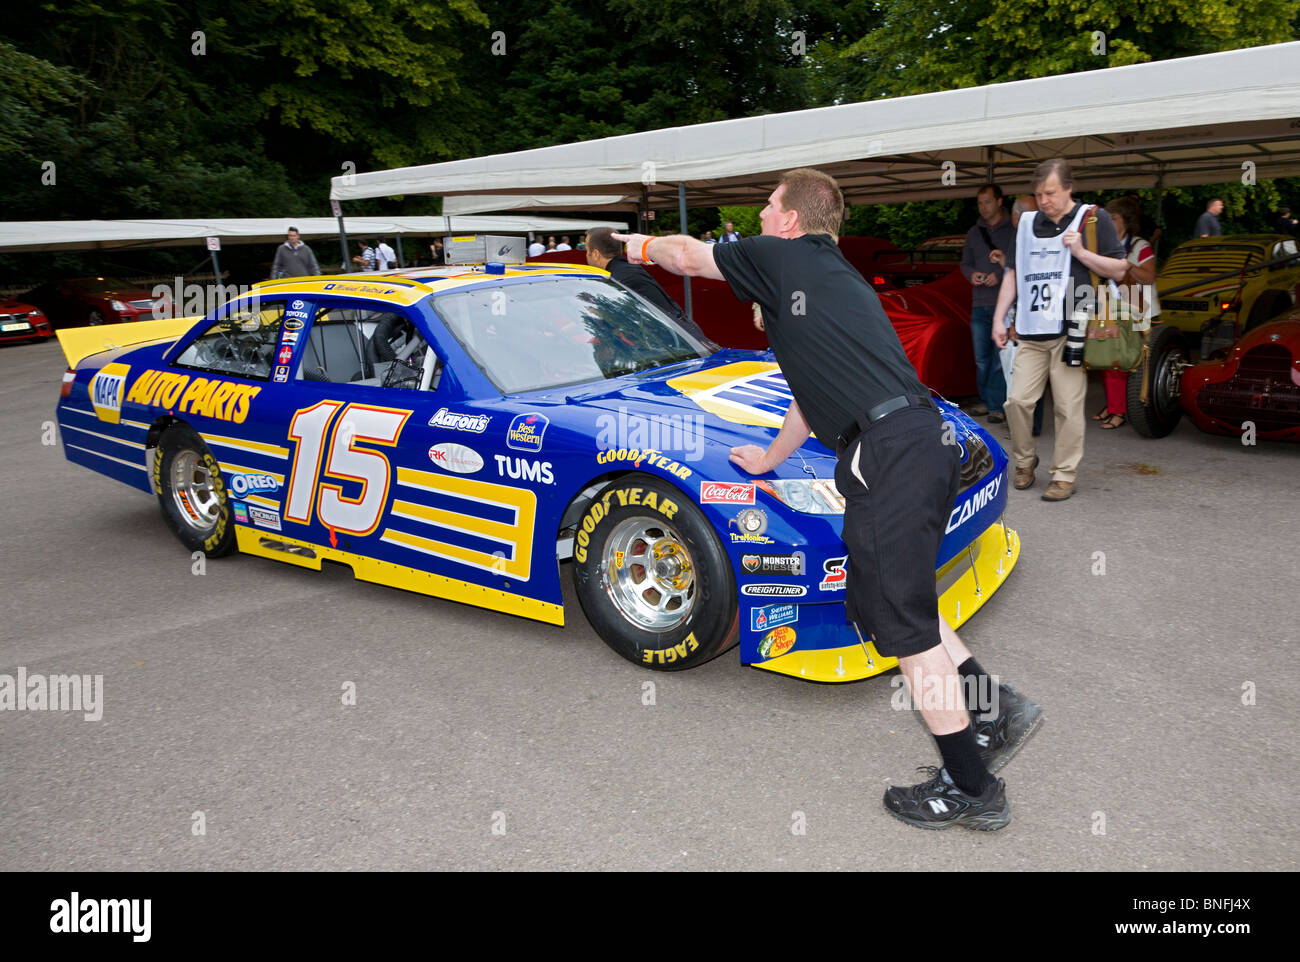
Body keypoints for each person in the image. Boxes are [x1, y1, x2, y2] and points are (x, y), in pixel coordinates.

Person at [612, 168, 1042, 831]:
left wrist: (627, 248)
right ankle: (992, 709)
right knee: (895, 601)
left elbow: (685, 255)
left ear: (790, 220)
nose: (757, 216)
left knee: (903, 630)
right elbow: (811, 402)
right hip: (916, 442)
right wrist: (769, 459)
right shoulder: (830, 281)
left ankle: (974, 787)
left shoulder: (781, 254)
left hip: (891, 457)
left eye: (766, 206)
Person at [993, 159, 1129, 501]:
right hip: (1031, 330)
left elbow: (1120, 269)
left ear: (1069, 188)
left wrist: (1080, 251)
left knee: (1068, 407)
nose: (1044, 200)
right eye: (1038, 194)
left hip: (1074, 328)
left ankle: (1064, 474)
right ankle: (1025, 461)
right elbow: (1012, 272)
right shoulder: (1025, 224)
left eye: (1050, 193)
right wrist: (999, 317)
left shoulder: (1093, 219)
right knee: (1017, 401)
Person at [1091, 197, 1159, 431]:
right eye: (1107, 217)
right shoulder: (1105, 244)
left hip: (1138, 314)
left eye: (1114, 217)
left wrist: (1127, 265)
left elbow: (1150, 278)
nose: (1109, 221)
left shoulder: (1139, 246)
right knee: (1106, 360)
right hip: (1111, 310)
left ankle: (1119, 410)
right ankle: (1113, 405)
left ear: (1126, 221)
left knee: (1120, 364)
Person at [585, 227, 713, 345]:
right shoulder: (626, 268)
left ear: (596, 253)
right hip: (684, 335)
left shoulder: (617, 279)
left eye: (587, 250)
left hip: (678, 344)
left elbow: (608, 318)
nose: (586, 255)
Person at [960, 184, 1013, 424]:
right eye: (980, 203)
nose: (983, 207)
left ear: (999, 202)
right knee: (981, 358)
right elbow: (965, 264)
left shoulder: (1012, 229)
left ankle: (997, 405)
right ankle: (986, 400)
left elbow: (1018, 265)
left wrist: (999, 276)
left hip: (1004, 303)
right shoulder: (974, 232)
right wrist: (972, 275)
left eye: (988, 202)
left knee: (999, 358)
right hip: (979, 302)